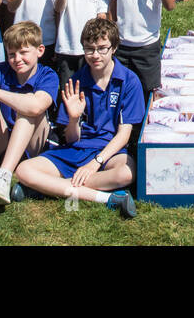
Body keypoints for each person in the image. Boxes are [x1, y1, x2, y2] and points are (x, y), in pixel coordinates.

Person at [12, 18, 141, 218]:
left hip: (109, 152)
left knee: (127, 172)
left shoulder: (129, 80)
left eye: (102, 48)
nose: (95, 55)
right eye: (89, 49)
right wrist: (73, 119)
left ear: (114, 48)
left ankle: (45, 188)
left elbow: (124, 135)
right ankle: (104, 197)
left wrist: (95, 163)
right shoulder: (75, 81)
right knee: (23, 170)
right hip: (77, 150)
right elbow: (72, 139)